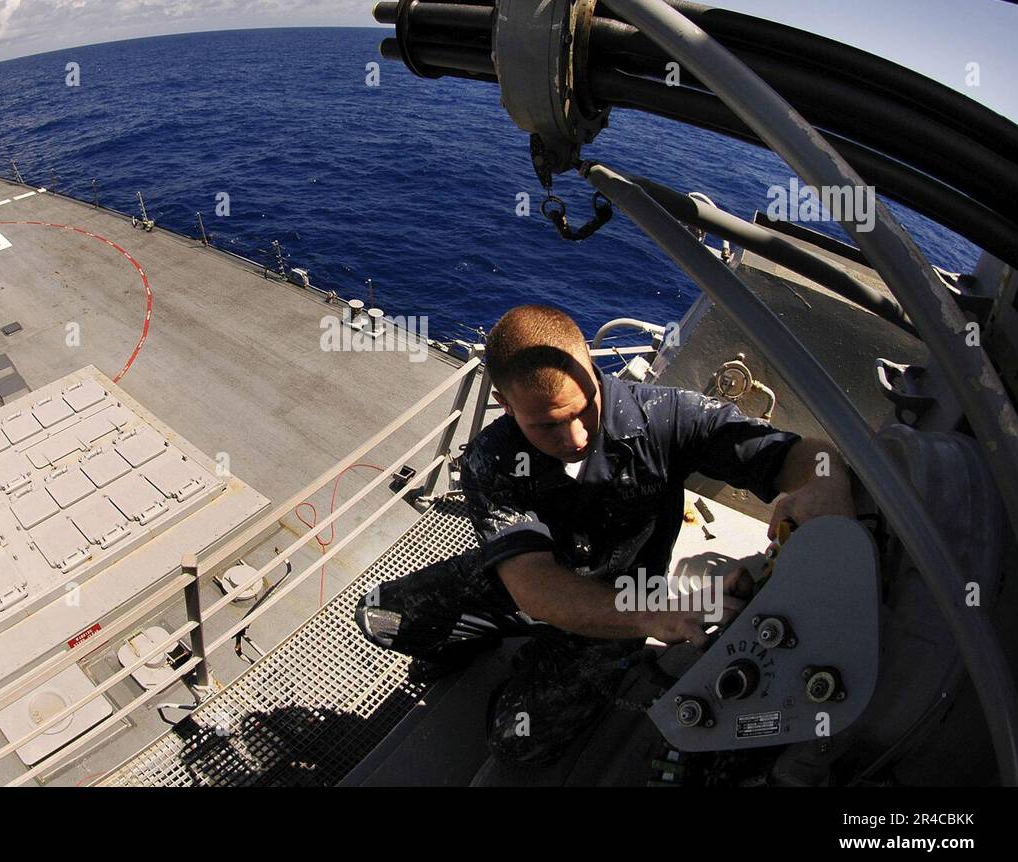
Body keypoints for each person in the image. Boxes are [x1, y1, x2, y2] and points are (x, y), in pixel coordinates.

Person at [354, 303, 856, 765]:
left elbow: (791, 453)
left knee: (515, 742)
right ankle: (487, 646)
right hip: (546, 591)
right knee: (381, 615)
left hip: (620, 604)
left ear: (592, 370)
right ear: (506, 404)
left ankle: (551, 657)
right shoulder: (492, 459)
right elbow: (534, 585)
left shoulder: (662, 417)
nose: (575, 437)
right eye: (547, 425)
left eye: (584, 408)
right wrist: (652, 616)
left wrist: (825, 480)